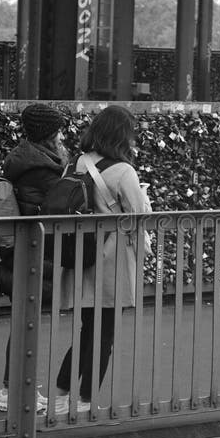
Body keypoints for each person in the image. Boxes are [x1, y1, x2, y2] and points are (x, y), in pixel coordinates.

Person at [54, 105, 152, 414]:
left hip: (81, 255)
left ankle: (60, 393)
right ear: (122, 136)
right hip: (111, 260)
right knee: (105, 332)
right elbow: (139, 216)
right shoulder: (124, 171)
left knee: (86, 328)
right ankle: (84, 400)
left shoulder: (75, 164)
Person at [0, 103, 69, 413]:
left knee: (26, 321)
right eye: (59, 129)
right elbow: (55, 206)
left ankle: (17, 389)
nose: (62, 135)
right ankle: (10, 391)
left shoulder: (26, 159)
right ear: (49, 133)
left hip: (22, 253)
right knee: (26, 321)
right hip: (33, 253)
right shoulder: (40, 168)